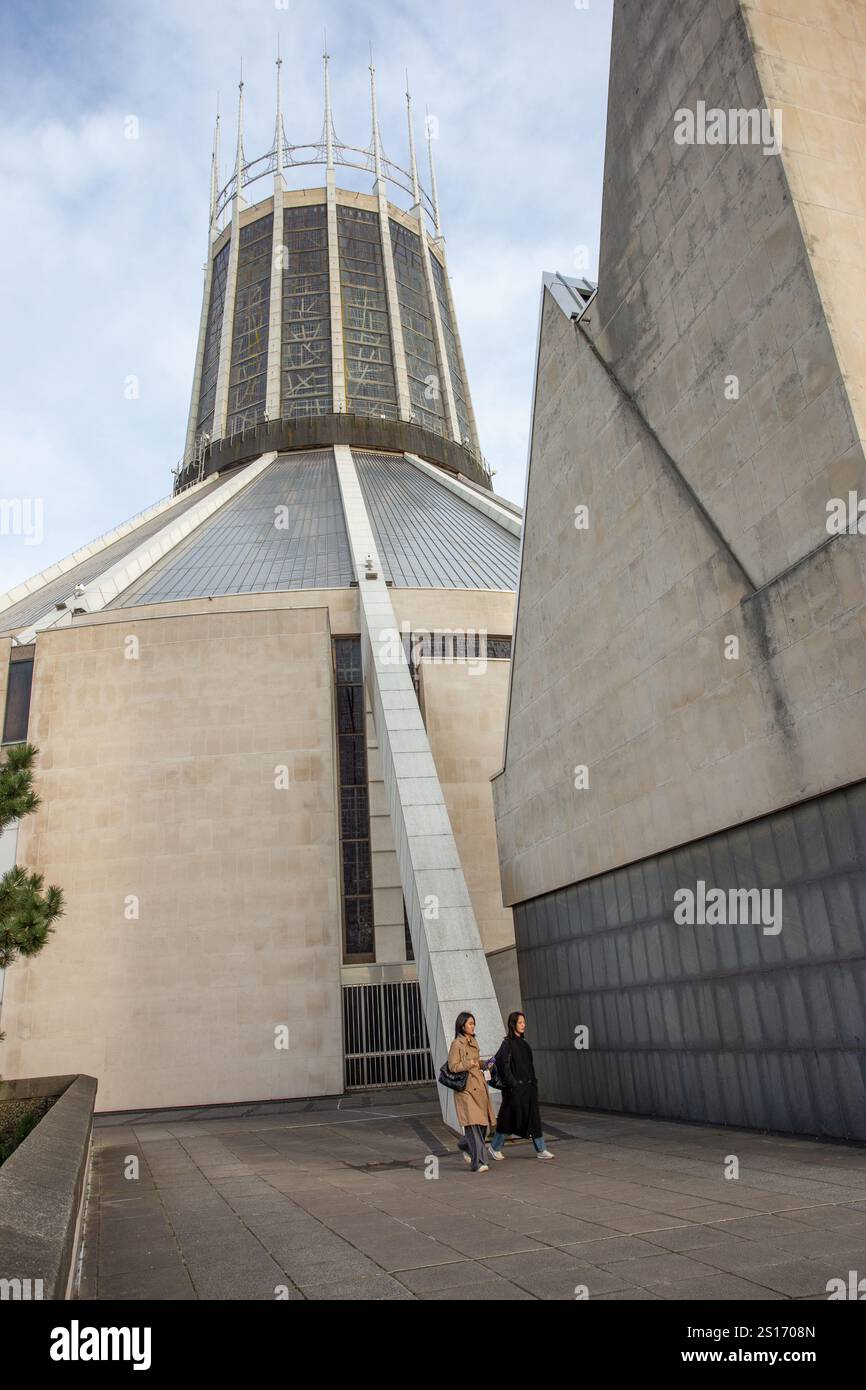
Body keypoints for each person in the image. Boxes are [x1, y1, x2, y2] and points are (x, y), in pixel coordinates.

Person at [488, 1012, 555, 1159]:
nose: (523, 1025)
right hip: (515, 1090)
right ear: (513, 1024)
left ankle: (541, 1149)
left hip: (529, 1089)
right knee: (508, 1119)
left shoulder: (524, 1044)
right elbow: (501, 1065)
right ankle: (494, 1147)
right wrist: (513, 1084)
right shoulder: (507, 1044)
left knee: (534, 1119)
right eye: (520, 1022)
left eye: (524, 1022)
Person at [447, 1011, 497, 1172]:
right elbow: (452, 1067)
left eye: (473, 1023)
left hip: (479, 1088)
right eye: (470, 1023)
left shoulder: (473, 1041)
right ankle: (479, 1162)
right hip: (466, 1090)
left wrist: (484, 1064)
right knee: (473, 1127)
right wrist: (470, 1063)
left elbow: (476, 1061)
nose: (472, 1026)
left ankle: (464, 1144)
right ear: (462, 1025)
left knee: (483, 1126)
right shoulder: (457, 1044)